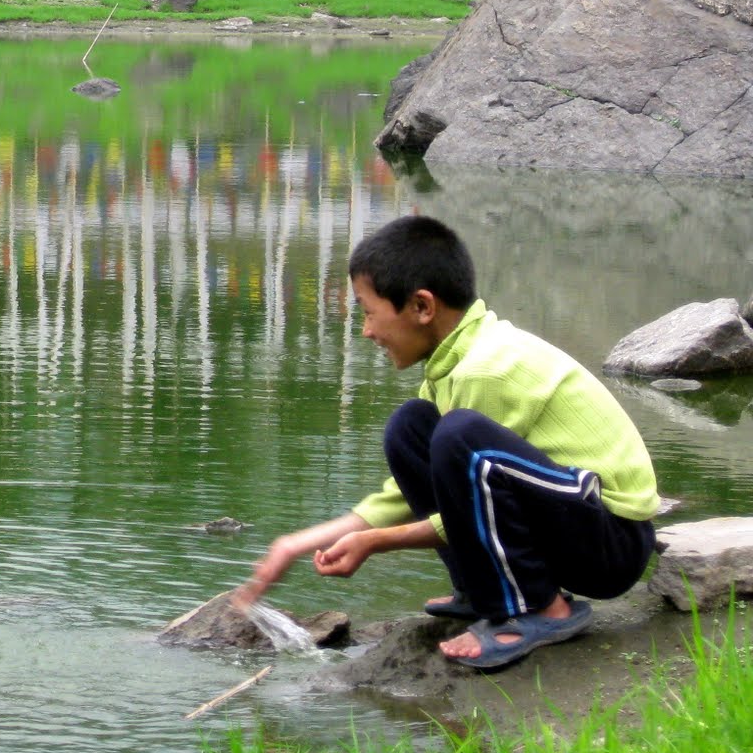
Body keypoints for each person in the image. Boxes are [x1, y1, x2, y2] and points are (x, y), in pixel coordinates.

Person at [236, 215, 658, 672]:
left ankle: (539, 608)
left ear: (422, 306)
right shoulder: (454, 363)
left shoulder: (488, 368)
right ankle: (481, 592)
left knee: (458, 436)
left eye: (369, 312)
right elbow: (418, 496)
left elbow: (471, 501)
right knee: (411, 427)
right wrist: (295, 544)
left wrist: (375, 542)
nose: (366, 331)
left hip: (610, 545)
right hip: (571, 523)